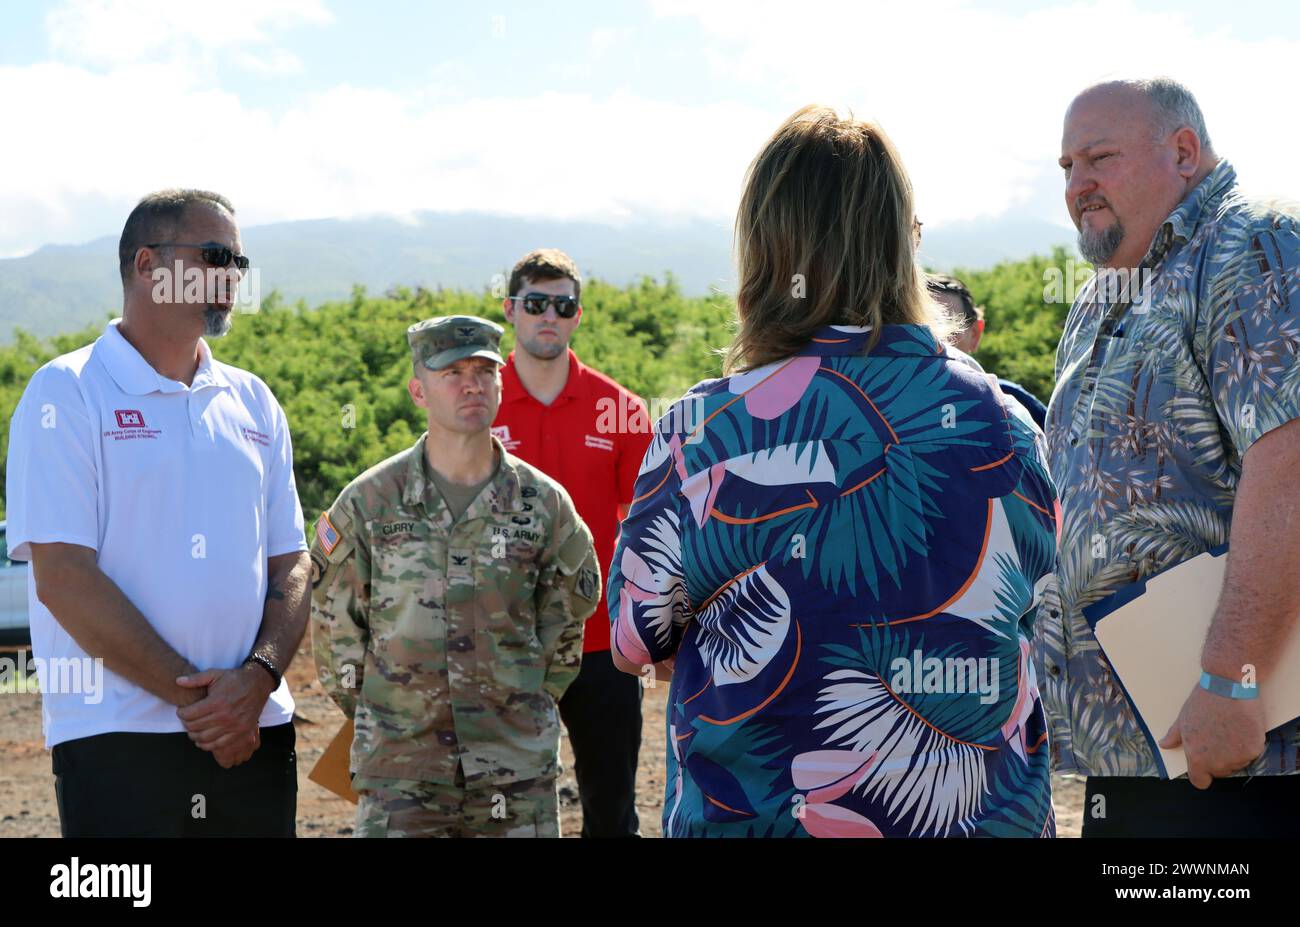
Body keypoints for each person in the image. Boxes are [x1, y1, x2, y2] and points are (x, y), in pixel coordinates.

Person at [607, 105, 1059, 838]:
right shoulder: (1005, 422)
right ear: (903, 245)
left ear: (761, 248)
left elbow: (633, 639)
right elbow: (1041, 613)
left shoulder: (703, 429)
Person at [5, 189, 310, 837]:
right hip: (119, 741)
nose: (232, 277)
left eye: (239, 262)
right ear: (147, 265)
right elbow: (62, 576)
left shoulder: (254, 402)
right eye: (215, 256)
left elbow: (293, 564)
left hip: (256, 732)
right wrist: (204, 704)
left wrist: (254, 684)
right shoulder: (67, 391)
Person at [1040, 77, 1300, 836]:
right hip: (1134, 747)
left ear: (1183, 152)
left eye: (1099, 158)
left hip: (1240, 744)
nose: (1077, 183)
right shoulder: (1102, 293)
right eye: (1065, 167)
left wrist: (1232, 676)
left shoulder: (1253, 245)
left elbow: (1289, 463)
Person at [311, 315, 601, 837]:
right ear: (418, 391)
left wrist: (519, 702)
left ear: (499, 384)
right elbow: (336, 634)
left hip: (514, 774)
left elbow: (565, 628)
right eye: (451, 373)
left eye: (483, 371)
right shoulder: (370, 501)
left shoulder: (543, 504)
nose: (471, 384)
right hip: (403, 774)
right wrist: (394, 714)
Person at [493, 248, 653, 837]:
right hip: (501, 640)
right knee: (502, 808)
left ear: (578, 316)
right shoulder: (474, 404)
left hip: (599, 642)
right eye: (535, 304)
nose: (549, 316)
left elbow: (654, 525)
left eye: (563, 305)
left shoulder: (621, 411)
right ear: (511, 309)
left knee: (611, 815)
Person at [926, 273, 1049, 429]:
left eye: (950, 331)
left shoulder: (1012, 402)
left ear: (975, 334)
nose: (936, 342)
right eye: (924, 331)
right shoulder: (890, 406)